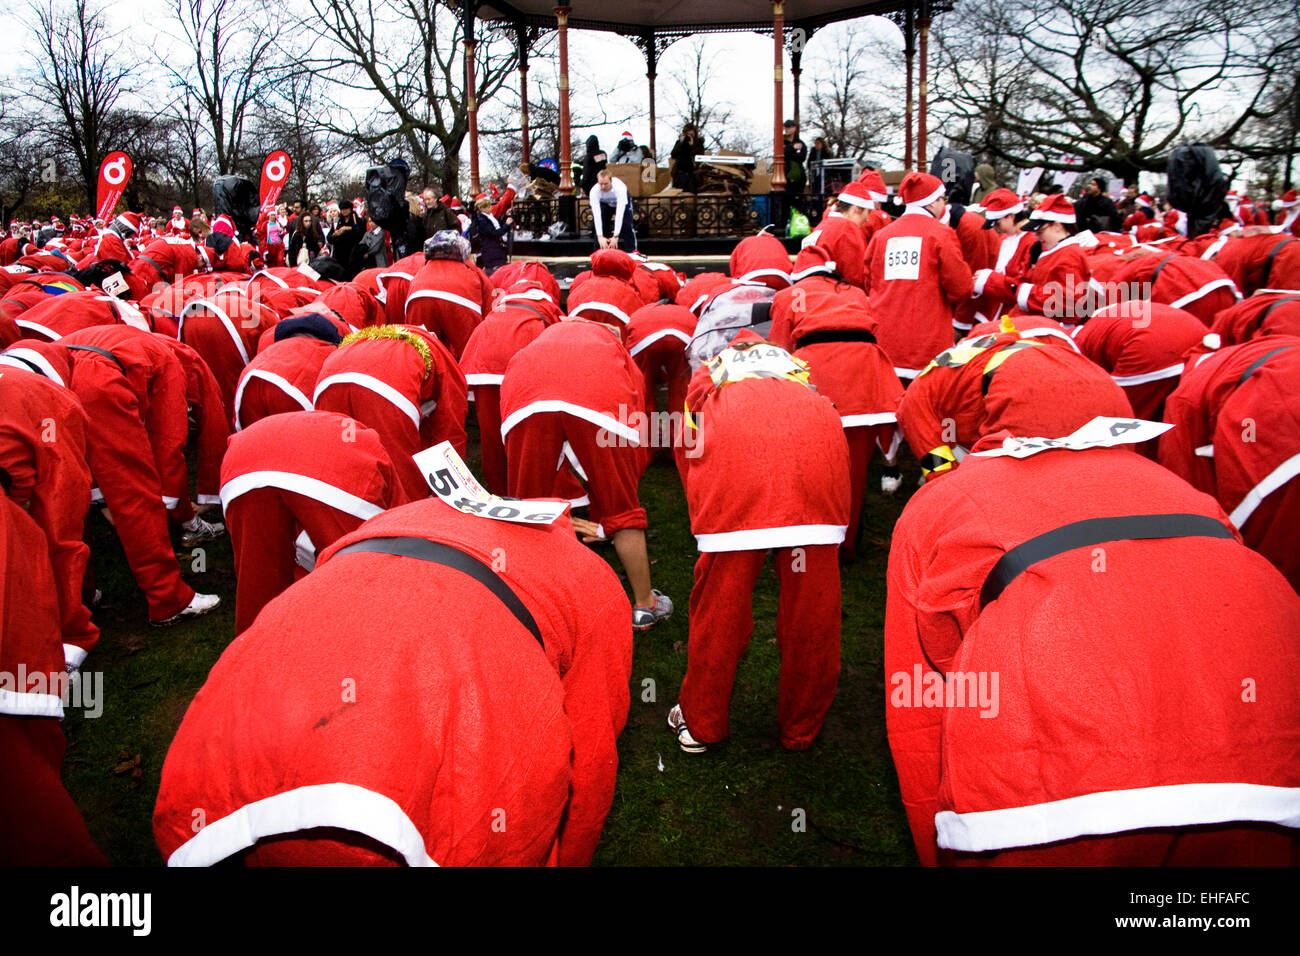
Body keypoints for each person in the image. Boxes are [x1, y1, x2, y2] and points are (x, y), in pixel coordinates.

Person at [887, 407, 1300, 865]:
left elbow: (922, 692)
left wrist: (934, 830)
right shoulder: (1171, 482)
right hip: (1267, 720)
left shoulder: (946, 497)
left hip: (1061, 759)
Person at [153, 496, 634, 867]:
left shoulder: (402, 514)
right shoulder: (592, 581)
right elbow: (592, 757)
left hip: (259, 707)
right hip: (453, 748)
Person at [668, 330, 850, 753]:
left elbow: (687, 443)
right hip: (817, 475)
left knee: (720, 606)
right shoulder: (798, 372)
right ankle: (801, 727)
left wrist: (703, 511)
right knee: (813, 610)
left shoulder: (710, 372)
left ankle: (702, 722)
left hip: (737, 476)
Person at [500, 313, 672, 630]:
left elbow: (513, 382)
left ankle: (528, 601)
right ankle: (645, 604)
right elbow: (636, 406)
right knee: (624, 508)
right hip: (598, 398)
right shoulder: (611, 345)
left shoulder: (540, 341)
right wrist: (616, 500)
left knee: (526, 508)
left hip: (527, 401)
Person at [864, 171, 975, 381]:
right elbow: (961, 288)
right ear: (932, 202)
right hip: (927, 339)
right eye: (942, 199)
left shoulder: (882, 235)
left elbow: (869, 281)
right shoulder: (941, 233)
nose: (944, 205)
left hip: (886, 338)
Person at [589, 169, 637, 253]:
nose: (603, 186)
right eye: (601, 184)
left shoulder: (619, 188)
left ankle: (632, 252)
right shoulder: (594, 191)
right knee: (601, 226)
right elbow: (597, 215)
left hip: (621, 203)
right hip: (605, 204)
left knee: (626, 225)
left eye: (606, 184)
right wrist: (600, 236)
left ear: (611, 181)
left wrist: (615, 236)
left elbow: (620, 213)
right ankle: (599, 252)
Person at [472, 194, 513, 275]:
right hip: (490, 249)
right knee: (494, 270)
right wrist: (506, 225)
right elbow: (494, 233)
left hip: (494, 248)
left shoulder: (488, 217)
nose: (491, 208)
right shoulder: (482, 220)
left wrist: (505, 216)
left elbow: (497, 225)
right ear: (482, 209)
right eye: (488, 206)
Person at [327, 201, 362, 277]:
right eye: (342, 209)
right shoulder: (337, 221)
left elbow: (360, 234)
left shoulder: (357, 220)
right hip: (339, 255)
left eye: (346, 209)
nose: (344, 211)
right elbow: (329, 238)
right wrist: (335, 235)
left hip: (353, 255)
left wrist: (349, 228)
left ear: (350, 209)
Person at [670, 124, 704, 193]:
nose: (689, 136)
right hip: (680, 173)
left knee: (692, 193)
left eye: (691, 134)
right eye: (688, 134)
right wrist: (681, 143)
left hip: (693, 173)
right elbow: (673, 154)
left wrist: (691, 145)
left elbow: (699, 157)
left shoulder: (698, 143)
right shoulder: (680, 143)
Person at [783, 120, 808, 198]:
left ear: (794, 128)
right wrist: (792, 148)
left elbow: (802, 158)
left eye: (789, 127)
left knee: (798, 198)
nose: (786, 129)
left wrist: (789, 153)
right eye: (785, 127)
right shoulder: (781, 141)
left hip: (799, 176)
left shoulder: (800, 143)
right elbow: (781, 154)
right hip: (785, 175)